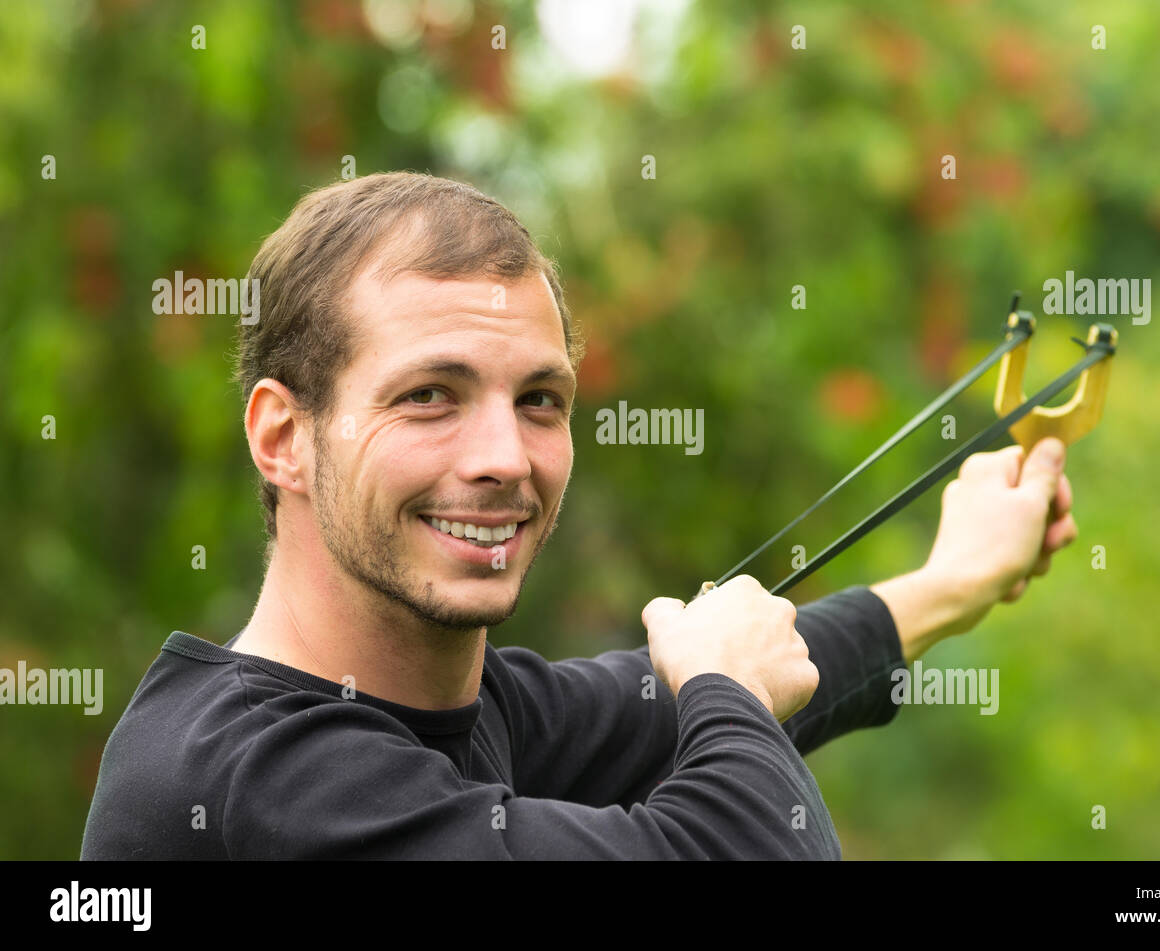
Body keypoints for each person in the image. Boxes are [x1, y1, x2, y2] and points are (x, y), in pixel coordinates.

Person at [80, 172, 1078, 860]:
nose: (503, 458)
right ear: (282, 437)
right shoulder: (257, 783)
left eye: (539, 400)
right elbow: (749, 838)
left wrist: (949, 584)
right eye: (429, 394)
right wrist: (725, 688)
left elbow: (723, 682)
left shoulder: (467, 710)